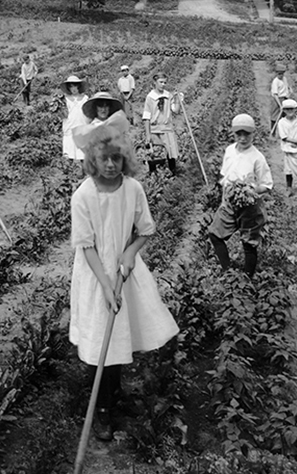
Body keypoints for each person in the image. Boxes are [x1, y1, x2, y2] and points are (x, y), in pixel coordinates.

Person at [69, 111, 179, 441]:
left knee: (117, 337)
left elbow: (145, 230)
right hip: (95, 275)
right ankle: (100, 408)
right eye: (104, 159)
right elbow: (86, 247)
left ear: (124, 158)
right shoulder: (84, 195)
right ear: (92, 160)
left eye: (117, 158)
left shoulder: (132, 189)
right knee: (98, 338)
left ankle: (114, 396)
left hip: (123, 272)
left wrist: (130, 253)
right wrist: (104, 285)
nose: (111, 165)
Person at [208, 113, 273, 277]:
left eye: (247, 134)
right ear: (233, 133)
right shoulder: (229, 150)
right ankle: (227, 272)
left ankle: (247, 279)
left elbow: (267, 185)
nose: (243, 138)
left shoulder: (257, 158)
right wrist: (223, 193)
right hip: (229, 203)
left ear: (253, 134)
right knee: (215, 234)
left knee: (249, 244)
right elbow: (225, 175)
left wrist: (250, 190)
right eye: (239, 134)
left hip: (249, 206)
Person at [141, 74, 182, 176]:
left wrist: (177, 99)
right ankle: (153, 174)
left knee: (170, 153)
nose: (163, 84)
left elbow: (176, 111)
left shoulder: (168, 95)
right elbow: (146, 116)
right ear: (155, 83)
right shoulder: (150, 97)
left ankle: (172, 172)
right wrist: (148, 134)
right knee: (154, 153)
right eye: (161, 82)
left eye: (165, 82)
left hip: (167, 128)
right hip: (155, 129)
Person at [276, 98, 297, 195]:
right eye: (287, 109)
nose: (289, 111)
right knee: (288, 169)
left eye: (292, 109)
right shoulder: (282, 122)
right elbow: (284, 137)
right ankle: (289, 187)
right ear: (284, 110)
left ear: (296, 110)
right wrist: (296, 141)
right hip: (288, 149)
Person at [61, 75, 89, 162]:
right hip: (70, 126)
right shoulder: (64, 99)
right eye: (71, 86)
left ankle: (83, 171)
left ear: (78, 86)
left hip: (81, 125)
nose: (73, 88)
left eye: (75, 86)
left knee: (82, 153)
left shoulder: (85, 98)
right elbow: (63, 114)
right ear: (68, 88)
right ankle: (71, 172)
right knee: (69, 151)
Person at [270, 63, 290, 129]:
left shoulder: (284, 79)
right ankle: (272, 132)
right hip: (277, 100)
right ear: (276, 73)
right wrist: (280, 105)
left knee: (285, 116)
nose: (280, 75)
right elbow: (275, 95)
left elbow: (287, 86)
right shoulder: (275, 81)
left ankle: (284, 133)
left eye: (281, 74)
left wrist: (290, 90)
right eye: (279, 74)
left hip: (285, 99)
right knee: (275, 116)